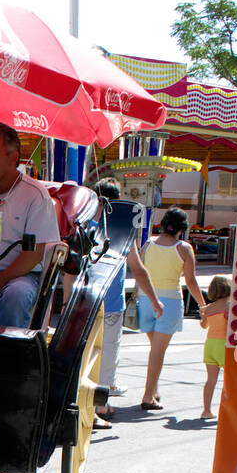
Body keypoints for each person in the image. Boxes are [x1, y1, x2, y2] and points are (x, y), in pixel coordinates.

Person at [0, 123, 60, 328]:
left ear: (13, 158)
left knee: (16, 296)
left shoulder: (35, 195)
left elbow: (33, 255)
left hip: (19, 275)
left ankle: (9, 357)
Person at [93, 179, 162, 423]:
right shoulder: (123, 230)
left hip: (86, 301)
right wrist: (154, 299)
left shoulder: (84, 225)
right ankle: (100, 406)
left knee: (87, 353)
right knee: (107, 354)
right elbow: (138, 269)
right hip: (111, 303)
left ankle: (93, 403)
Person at [138, 207, 206, 410]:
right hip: (170, 302)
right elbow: (191, 281)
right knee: (158, 352)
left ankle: (154, 390)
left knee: (155, 350)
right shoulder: (183, 248)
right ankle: (148, 396)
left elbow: (141, 270)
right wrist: (203, 305)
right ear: (182, 228)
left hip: (146, 299)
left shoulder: (148, 243)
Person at [199, 274, 230, 421]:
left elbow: (204, 325)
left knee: (210, 380)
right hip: (223, 345)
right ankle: (228, 411)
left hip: (210, 344)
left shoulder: (209, 308)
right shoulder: (229, 306)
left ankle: (206, 410)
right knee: (229, 381)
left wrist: (203, 314)